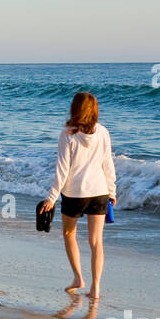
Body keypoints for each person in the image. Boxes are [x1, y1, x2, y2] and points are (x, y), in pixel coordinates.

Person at [39, 91, 117, 299]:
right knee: (96, 241)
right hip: (100, 191)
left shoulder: (68, 134)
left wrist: (52, 197)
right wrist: (112, 190)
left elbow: (62, 169)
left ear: (75, 109)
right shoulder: (103, 132)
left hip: (75, 193)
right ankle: (96, 287)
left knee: (69, 234)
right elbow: (108, 164)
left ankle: (77, 278)